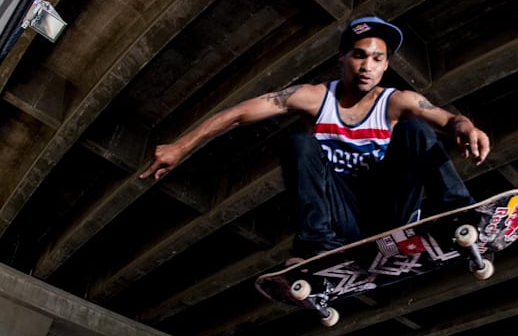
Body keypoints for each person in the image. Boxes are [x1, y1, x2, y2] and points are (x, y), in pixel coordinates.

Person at [140, 16, 491, 261]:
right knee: (299, 143)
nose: (367, 66)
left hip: (392, 209)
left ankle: (459, 215)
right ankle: (316, 248)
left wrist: (467, 129)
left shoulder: (396, 101)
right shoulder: (313, 98)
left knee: (417, 128)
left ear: (385, 65)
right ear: (343, 58)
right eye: (359, 55)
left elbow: (448, 120)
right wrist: (181, 146)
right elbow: (239, 114)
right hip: (342, 217)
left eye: (376, 59)